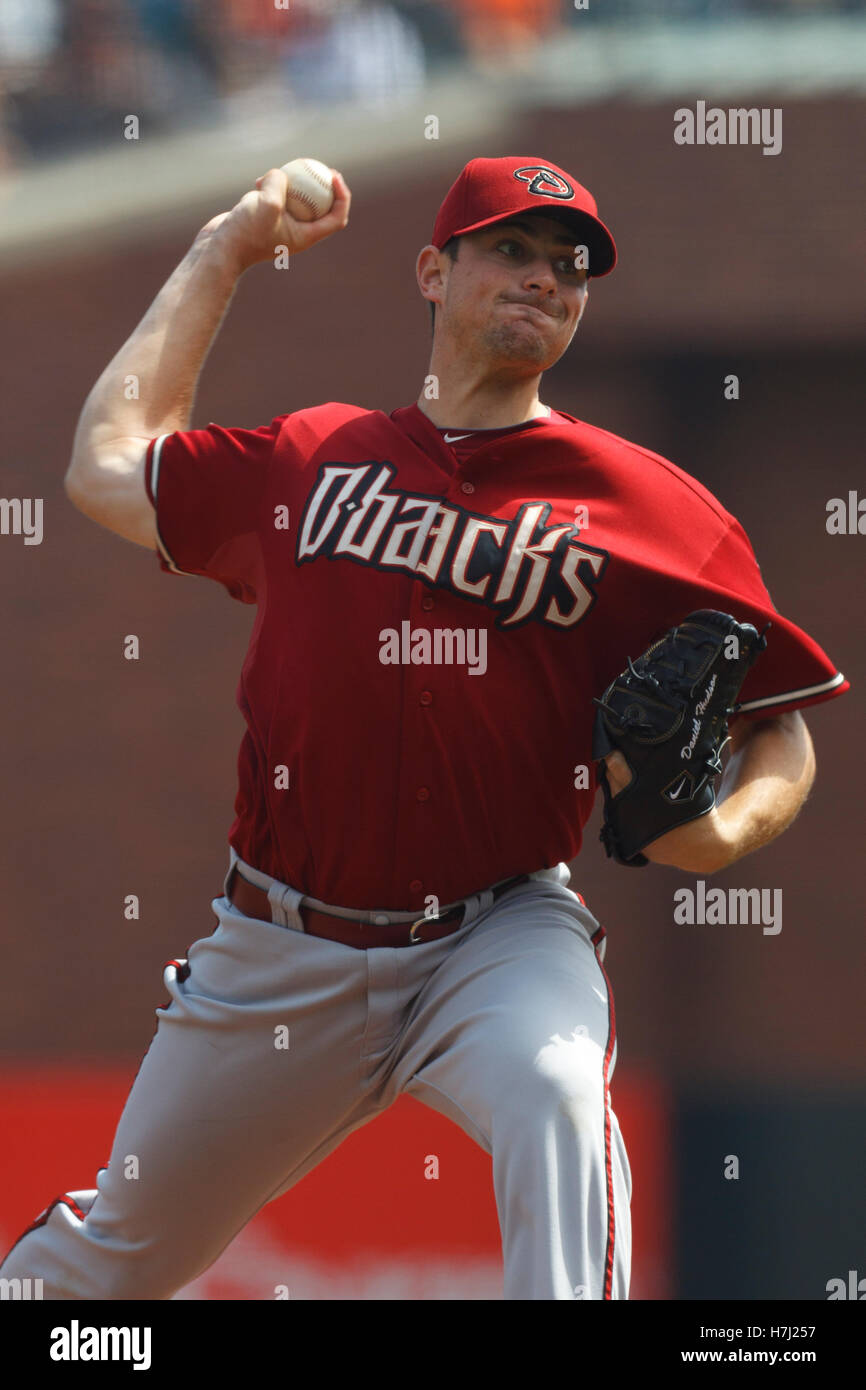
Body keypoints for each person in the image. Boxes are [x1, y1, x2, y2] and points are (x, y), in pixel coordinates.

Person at [0, 155, 846, 1300]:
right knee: (99, 1276)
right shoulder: (315, 454)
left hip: (492, 934)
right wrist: (229, 247)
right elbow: (105, 468)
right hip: (276, 949)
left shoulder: (650, 509)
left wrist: (720, 834)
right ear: (431, 270)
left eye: (569, 267)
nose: (544, 278)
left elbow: (778, 726)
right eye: (511, 249)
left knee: (554, 1096)